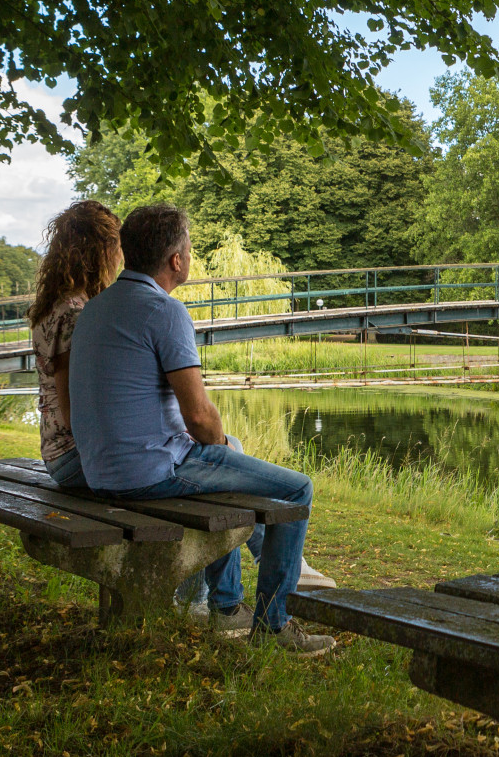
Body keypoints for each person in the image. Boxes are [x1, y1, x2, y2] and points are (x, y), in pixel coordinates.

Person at [70, 204, 336, 654]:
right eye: (189, 248)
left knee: (223, 461)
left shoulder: (95, 309)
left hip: (100, 474)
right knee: (297, 488)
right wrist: (219, 445)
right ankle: (273, 627)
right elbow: (200, 418)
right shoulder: (164, 311)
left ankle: (227, 606)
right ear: (176, 260)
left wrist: (220, 447)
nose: (190, 255)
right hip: (149, 474)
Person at [29, 200, 123, 491]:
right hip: (77, 457)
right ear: (102, 251)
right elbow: (74, 414)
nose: (121, 258)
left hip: (61, 454)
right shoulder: (75, 313)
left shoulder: (56, 304)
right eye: (118, 247)